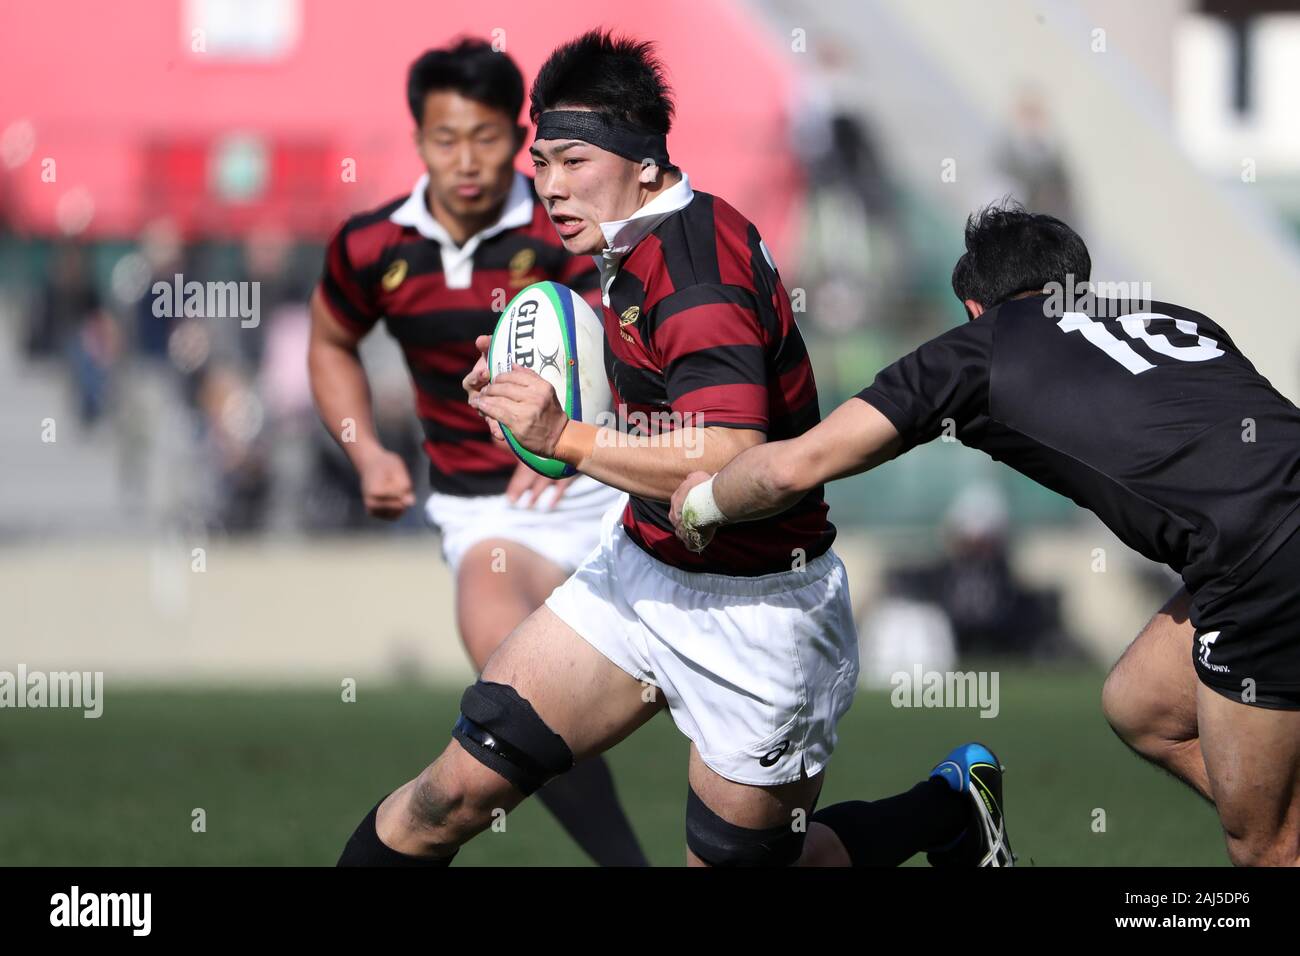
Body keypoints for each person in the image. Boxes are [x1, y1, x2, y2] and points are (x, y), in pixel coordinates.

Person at [336, 30, 1012, 868]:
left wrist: (565, 437)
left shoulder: (694, 268)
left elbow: (729, 452)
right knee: (448, 797)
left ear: (644, 162)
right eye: (541, 162)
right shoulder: (629, 242)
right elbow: (642, 399)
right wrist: (525, 383)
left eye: (573, 161)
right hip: (641, 574)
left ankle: (945, 813)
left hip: (760, 612)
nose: (549, 186)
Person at [671, 200, 1300, 866]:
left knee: (1265, 848)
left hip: (1257, 558)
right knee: (1141, 703)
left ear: (975, 306)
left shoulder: (978, 349)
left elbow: (794, 466)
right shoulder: (1177, 320)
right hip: (1265, 533)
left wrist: (702, 503)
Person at [309, 38, 644, 866]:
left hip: (611, 480)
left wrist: (571, 442)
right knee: (512, 693)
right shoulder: (371, 246)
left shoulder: (566, 226)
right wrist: (367, 455)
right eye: (446, 138)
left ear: (518, 139)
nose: (467, 160)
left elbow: (647, 338)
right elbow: (329, 342)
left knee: (713, 716)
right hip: (488, 511)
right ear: (419, 138)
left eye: (489, 138)